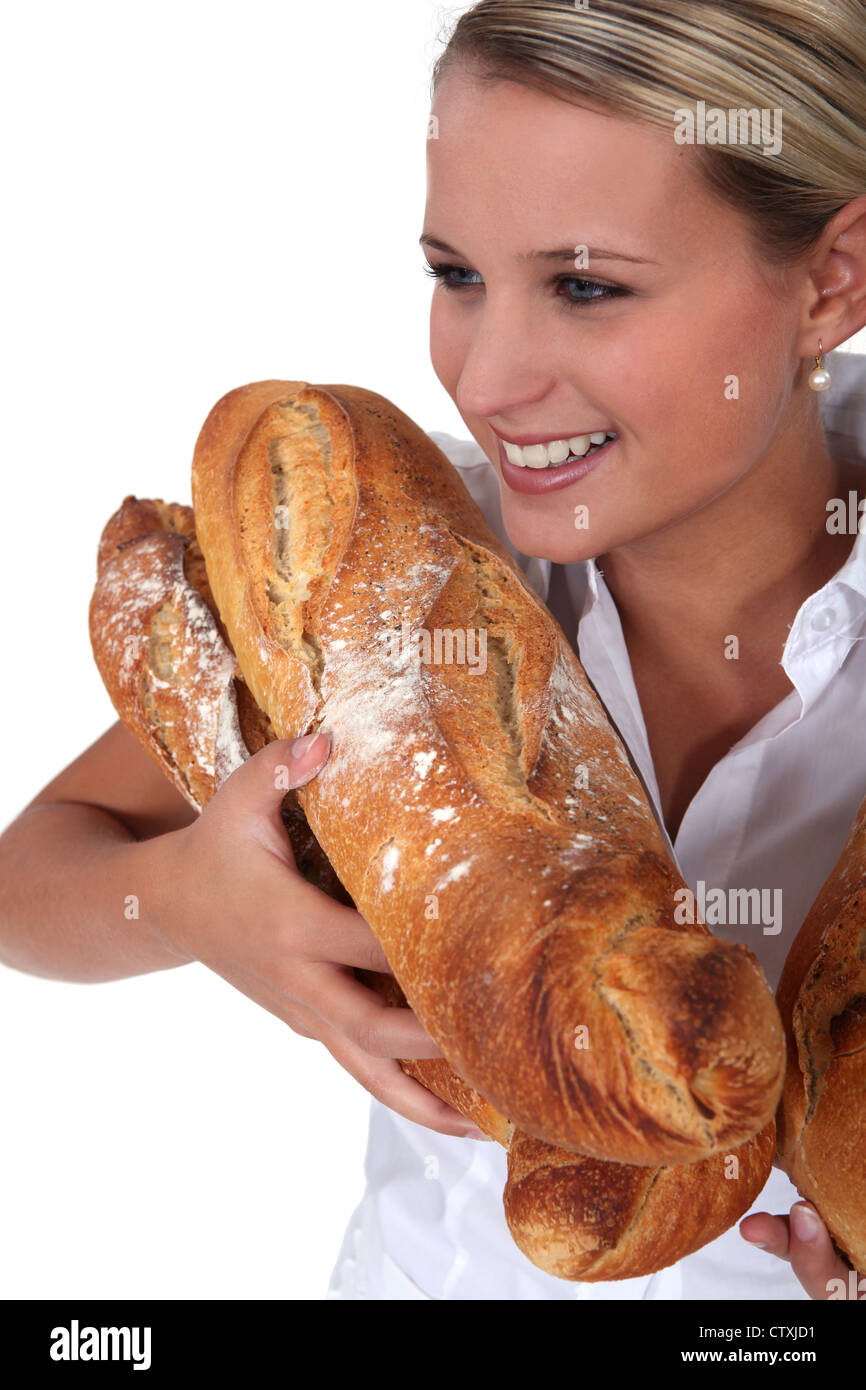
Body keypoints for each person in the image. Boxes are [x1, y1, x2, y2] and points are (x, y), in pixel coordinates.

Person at [2, 0, 865, 1299]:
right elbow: (33, 872)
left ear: (827, 282)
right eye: (457, 274)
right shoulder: (412, 569)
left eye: (585, 286)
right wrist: (191, 901)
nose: (486, 371)